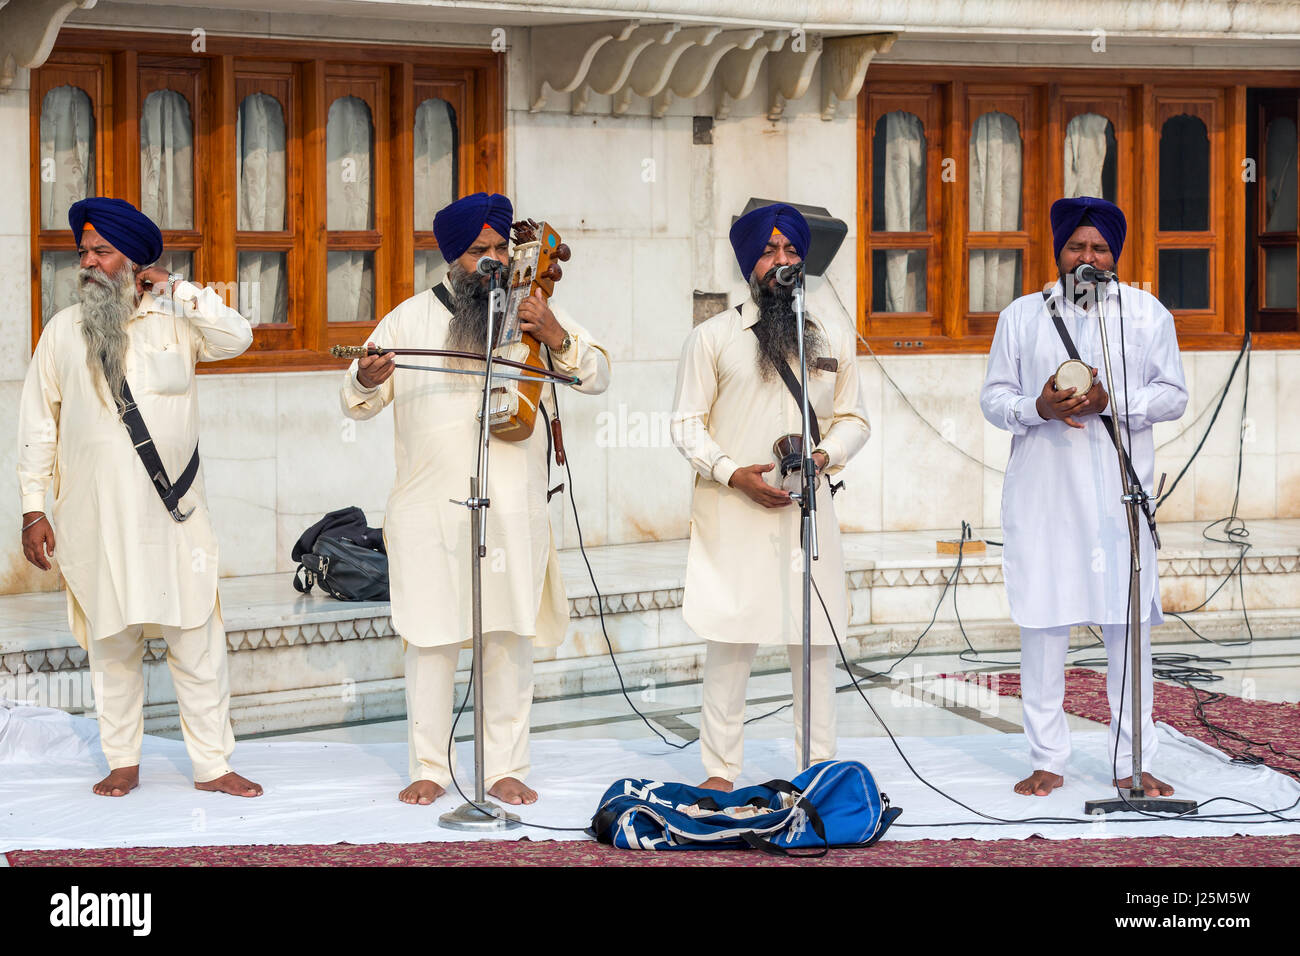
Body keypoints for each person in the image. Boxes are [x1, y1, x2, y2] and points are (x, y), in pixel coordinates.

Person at [341, 192, 610, 807]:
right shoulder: (406, 321)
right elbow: (353, 401)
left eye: (498, 249)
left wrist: (557, 334)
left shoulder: (533, 312)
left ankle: (505, 767)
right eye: (476, 252)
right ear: (450, 258)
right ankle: (429, 766)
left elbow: (595, 374)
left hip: (514, 513)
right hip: (427, 513)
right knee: (431, 641)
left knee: (507, 638)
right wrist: (364, 377)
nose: (491, 261)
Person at [17, 197, 261, 798]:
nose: (89, 263)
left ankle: (212, 765)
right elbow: (36, 424)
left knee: (195, 637)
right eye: (84, 253)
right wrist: (31, 506)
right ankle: (122, 758)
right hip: (93, 517)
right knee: (112, 640)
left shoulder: (180, 321)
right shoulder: (63, 332)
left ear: (137, 261)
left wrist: (179, 289)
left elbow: (238, 337)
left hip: (174, 515)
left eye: (103, 252)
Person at [980, 196, 1189, 798]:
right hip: (1045, 500)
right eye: (1077, 246)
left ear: (1114, 256)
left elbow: (1173, 394)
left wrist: (1112, 401)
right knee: (1044, 625)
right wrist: (1037, 408)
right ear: (1059, 251)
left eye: (1099, 248)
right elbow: (993, 398)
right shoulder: (1022, 316)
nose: (1088, 258)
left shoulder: (1147, 314)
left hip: (1118, 504)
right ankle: (1049, 758)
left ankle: (1133, 760)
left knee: (1128, 628)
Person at [670, 202, 870, 791]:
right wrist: (733, 473)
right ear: (749, 264)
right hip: (735, 510)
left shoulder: (833, 333)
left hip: (807, 512)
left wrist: (823, 457)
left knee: (812, 644)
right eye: (768, 251)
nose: (781, 261)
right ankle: (720, 771)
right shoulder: (712, 338)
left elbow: (855, 419)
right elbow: (685, 425)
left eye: (790, 251)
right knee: (731, 640)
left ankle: (819, 769)